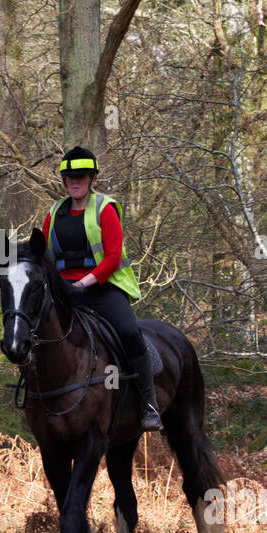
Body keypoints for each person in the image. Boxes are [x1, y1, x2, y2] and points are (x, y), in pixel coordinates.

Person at [42, 145, 162, 431]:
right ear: (63, 180)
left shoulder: (105, 209)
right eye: (70, 176)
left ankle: (148, 404)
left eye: (81, 176)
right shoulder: (54, 213)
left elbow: (112, 258)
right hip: (63, 292)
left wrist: (83, 283)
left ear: (92, 178)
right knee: (34, 330)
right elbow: (44, 256)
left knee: (129, 332)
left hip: (102, 288)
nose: (75, 181)